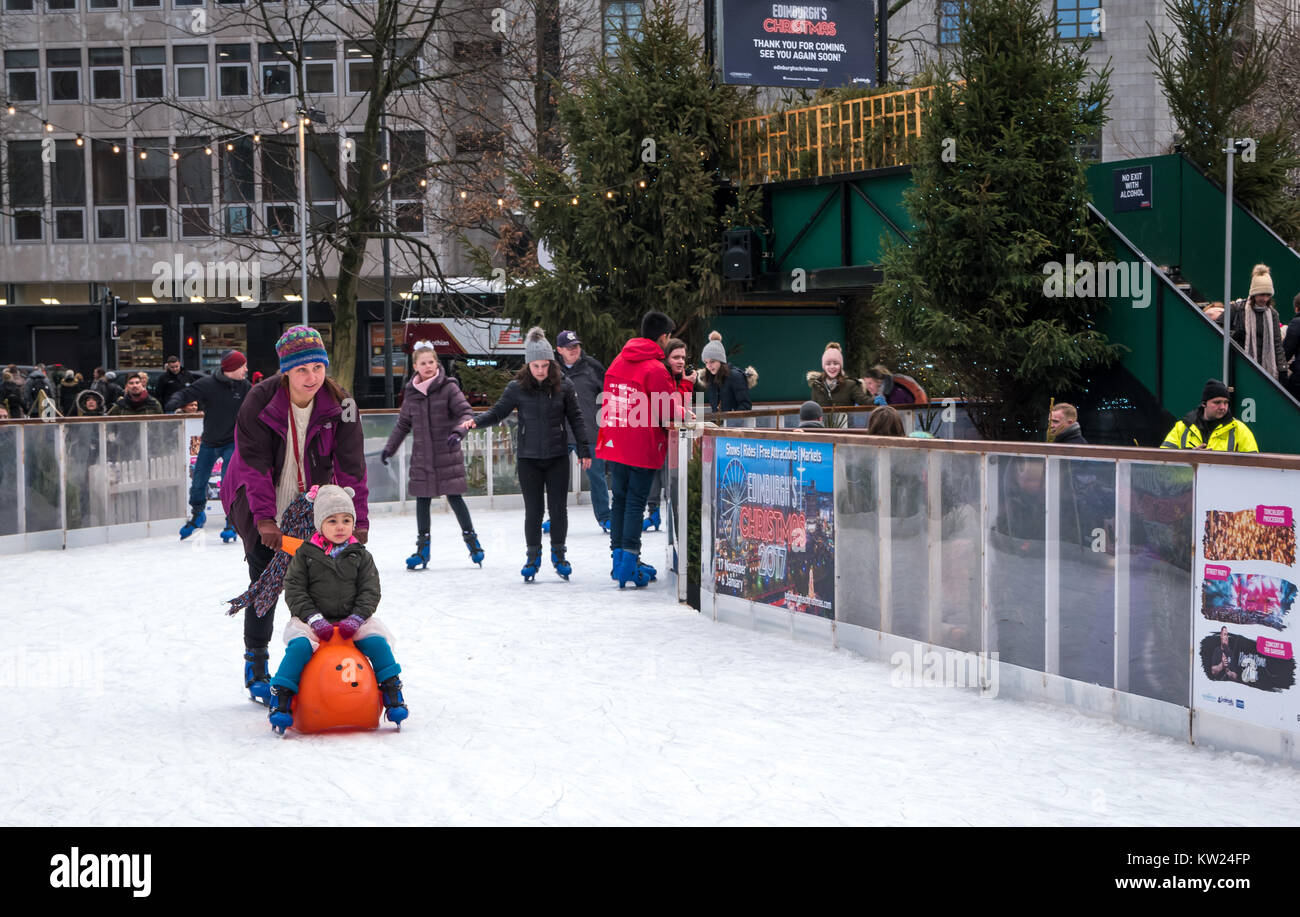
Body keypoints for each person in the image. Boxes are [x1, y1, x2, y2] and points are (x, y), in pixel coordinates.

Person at [221, 325, 369, 706]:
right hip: (255, 499)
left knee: (313, 584)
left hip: (311, 506)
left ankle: (315, 664)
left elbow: (352, 468)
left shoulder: (342, 403)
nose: (312, 378)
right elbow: (253, 466)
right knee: (266, 580)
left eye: (318, 368)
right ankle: (256, 663)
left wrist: (360, 519)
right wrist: (265, 519)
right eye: (302, 370)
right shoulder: (259, 399)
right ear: (286, 371)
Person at [267, 484, 407, 733]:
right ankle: (282, 696)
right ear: (319, 524)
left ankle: (392, 691)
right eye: (332, 521)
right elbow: (295, 589)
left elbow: (370, 591)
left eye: (346, 520)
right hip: (311, 620)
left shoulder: (361, 556)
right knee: (299, 647)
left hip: (353, 619)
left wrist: (357, 618)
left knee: (377, 643)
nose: (340, 527)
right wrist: (313, 618)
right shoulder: (305, 554)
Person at [460, 327, 589, 581]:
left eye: (544, 365)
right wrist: (476, 421)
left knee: (558, 509)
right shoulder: (516, 388)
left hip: (557, 457)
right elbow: (498, 412)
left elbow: (576, 418)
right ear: (528, 365)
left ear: (551, 363)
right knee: (534, 510)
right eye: (535, 366)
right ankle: (533, 556)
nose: (541, 370)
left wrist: (584, 449)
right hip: (529, 458)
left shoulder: (564, 385)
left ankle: (559, 554)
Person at [598, 311, 685, 588]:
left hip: (615, 442)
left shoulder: (617, 361)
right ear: (664, 336)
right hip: (642, 445)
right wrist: (682, 410)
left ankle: (619, 560)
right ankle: (629, 563)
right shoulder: (655, 368)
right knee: (636, 501)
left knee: (620, 500)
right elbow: (665, 409)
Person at [381, 340, 484, 571]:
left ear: (437, 364)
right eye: (423, 363)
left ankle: (473, 543)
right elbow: (402, 425)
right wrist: (390, 448)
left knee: (455, 498)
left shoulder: (449, 388)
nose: (428, 366)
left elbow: (466, 413)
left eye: (431, 362)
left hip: (446, 453)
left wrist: (459, 432)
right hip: (423, 458)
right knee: (422, 500)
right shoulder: (412, 394)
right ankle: (422, 550)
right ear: (415, 366)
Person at [171, 349, 251, 540]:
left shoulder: (246, 387)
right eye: (243, 366)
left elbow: (259, 405)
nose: (246, 369)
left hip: (233, 442)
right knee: (198, 481)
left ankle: (231, 521)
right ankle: (198, 514)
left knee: (228, 483)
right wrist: (173, 402)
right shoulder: (208, 384)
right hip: (210, 441)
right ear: (232, 368)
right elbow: (186, 394)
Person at [554, 329, 610, 533]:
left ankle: (605, 517)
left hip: (589, 434)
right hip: (560, 434)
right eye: (569, 347)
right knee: (556, 479)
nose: (574, 350)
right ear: (559, 350)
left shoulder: (592, 367)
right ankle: (555, 518)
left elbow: (608, 395)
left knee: (597, 477)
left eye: (576, 346)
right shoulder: (551, 370)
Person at [642, 337, 696, 530]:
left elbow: (682, 408)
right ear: (666, 359)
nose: (681, 361)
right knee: (657, 478)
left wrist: (686, 383)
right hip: (657, 435)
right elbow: (673, 406)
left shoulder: (675, 378)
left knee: (669, 480)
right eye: (676, 357)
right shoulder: (663, 376)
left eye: (683, 357)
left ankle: (672, 521)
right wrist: (687, 384)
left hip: (668, 437)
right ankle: (655, 513)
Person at [1160, 379, 1258, 452]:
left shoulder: (1239, 430)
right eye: (1217, 402)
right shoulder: (1181, 428)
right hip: (1188, 480)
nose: (1223, 407)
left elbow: (1254, 467)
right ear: (1204, 404)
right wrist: (1189, 457)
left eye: (1226, 402)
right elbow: (1162, 464)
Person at [1229, 265, 1288, 383]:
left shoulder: (1272, 314)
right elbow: (1216, 328)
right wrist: (1234, 334)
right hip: (1240, 365)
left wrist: (1282, 368)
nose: (1265, 299)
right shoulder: (1236, 309)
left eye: (1268, 295)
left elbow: (1277, 343)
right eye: (1261, 294)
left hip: (1266, 368)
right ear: (1253, 294)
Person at [807, 342, 871, 423]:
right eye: (828, 364)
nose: (832, 367)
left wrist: (875, 401)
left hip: (845, 430)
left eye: (836, 363)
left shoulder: (850, 385)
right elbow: (813, 410)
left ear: (841, 366)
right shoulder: (817, 385)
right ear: (824, 366)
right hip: (823, 430)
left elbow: (864, 401)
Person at [698, 331, 755, 412]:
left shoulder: (736, 376)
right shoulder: (709, 378)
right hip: (717, 423)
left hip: (733, 423)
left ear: (721, 361)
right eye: (706, 362)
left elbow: (745, 405)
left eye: (712, 361)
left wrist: (731, 421)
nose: (708, 366)